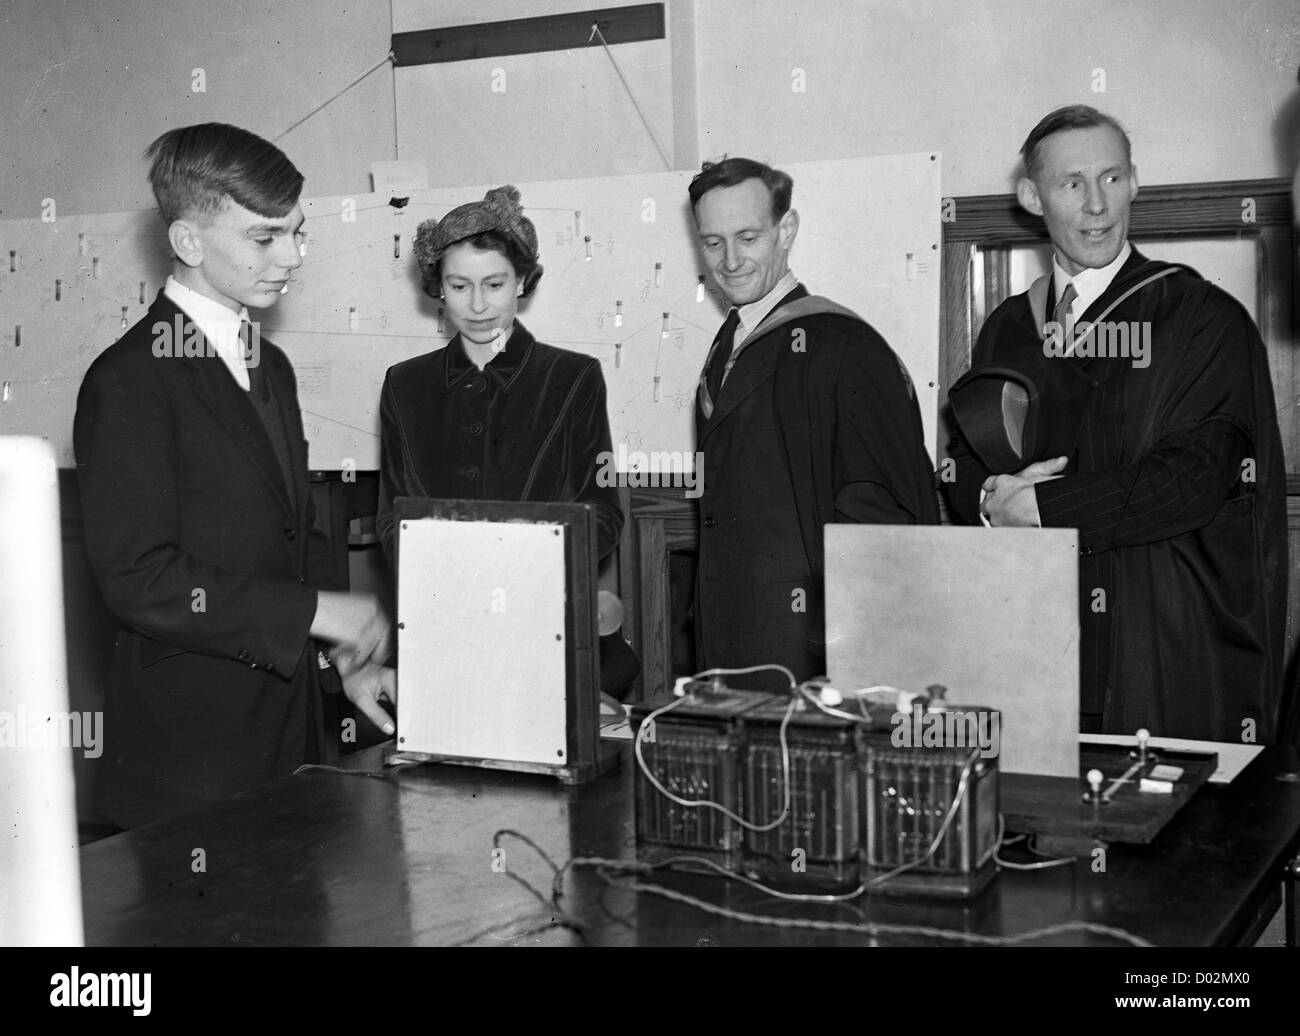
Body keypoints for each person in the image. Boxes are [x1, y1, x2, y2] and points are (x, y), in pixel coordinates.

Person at [74, 123, 395, 828]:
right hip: (189, 759)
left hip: (290, 731)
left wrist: (345, 659)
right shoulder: (128, 380)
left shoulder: (267, 363)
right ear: (189, 242)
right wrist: (312, 612)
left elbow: (292, 529)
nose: (292, 257)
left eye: (297, 233)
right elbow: (140, 577)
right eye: (265, 237)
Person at [945, 105, 1288, 744]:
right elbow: (964, 457)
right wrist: (991, 505)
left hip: (1157, 629)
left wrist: (1043, 507)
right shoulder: (1010, 326)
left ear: (1134, 182)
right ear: (1031, 195)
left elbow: (1195, 478)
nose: (1097, 204)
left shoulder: (1200, 316)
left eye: (1112, 178)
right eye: (1072, 183)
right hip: (1038, 638)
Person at [689, 158, 939, 691]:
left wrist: (858, 663)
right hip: (731, 631)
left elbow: (880, 519)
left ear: (787, 230)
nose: (730, 260)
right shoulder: (728, 343)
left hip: (808, 646)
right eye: (713, 243)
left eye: (748, 237)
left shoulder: (844, 347)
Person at [377, 186, 635, 694]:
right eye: (458, 286)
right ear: (439, 289)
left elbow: (602, 513)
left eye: (494, 284)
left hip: (546, 626)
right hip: (440, 627)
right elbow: (392, 518)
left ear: (522, 281)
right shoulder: (404, 384)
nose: (477, 306)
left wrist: (522, 576)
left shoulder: (573, 377)